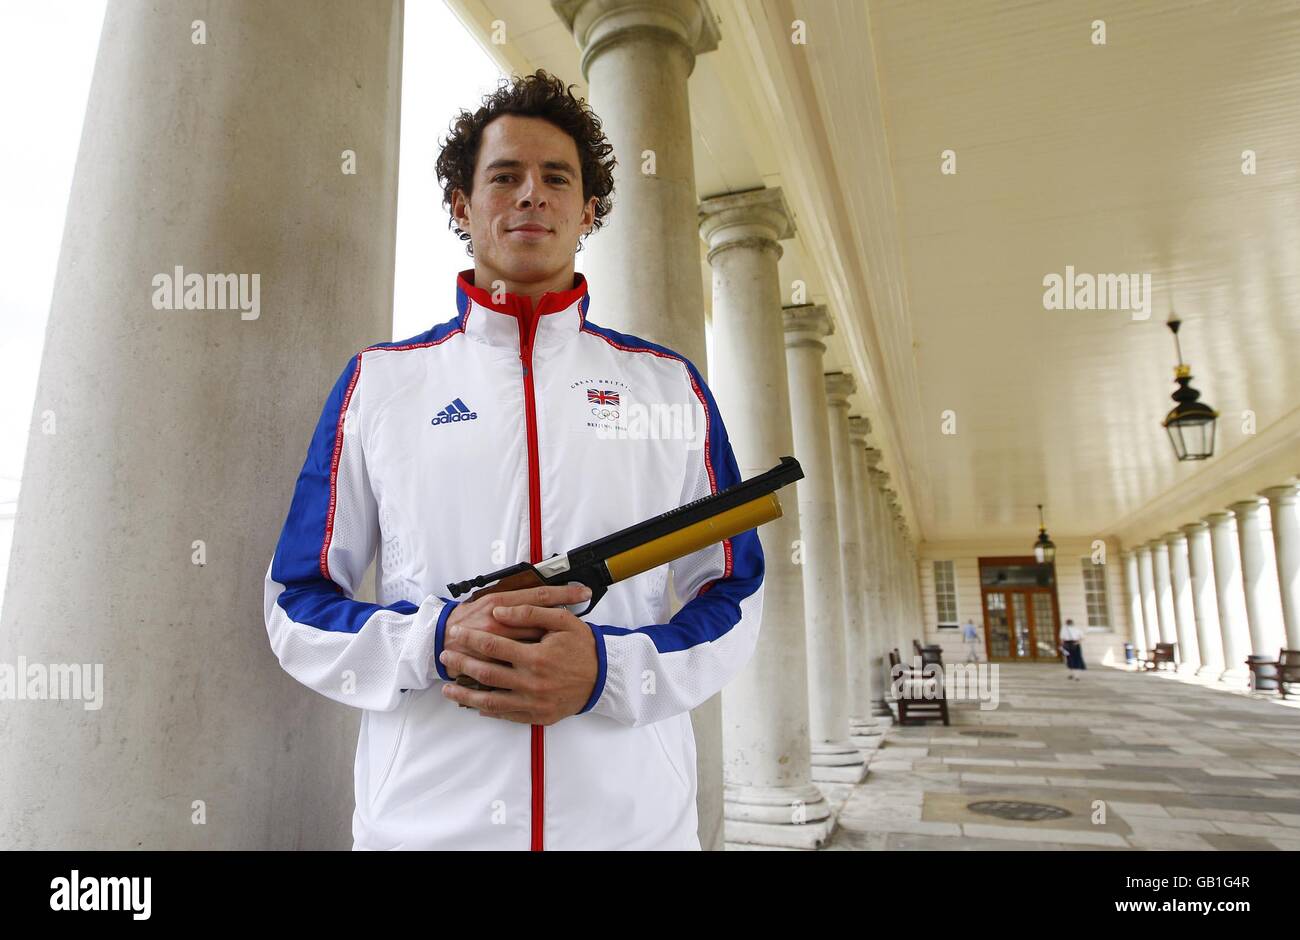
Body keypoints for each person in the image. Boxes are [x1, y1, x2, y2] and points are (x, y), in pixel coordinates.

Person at [262, 70, 765, 850]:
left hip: (631, 832)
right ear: (463, 207)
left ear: (588, 210)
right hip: (422, 831)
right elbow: (297, 602)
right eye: (504, 177)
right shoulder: (381, 384)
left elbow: (733, 590)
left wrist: (607, 671)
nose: (531, 194)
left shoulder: (670, 387)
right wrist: (430, 643)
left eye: (556, 178)